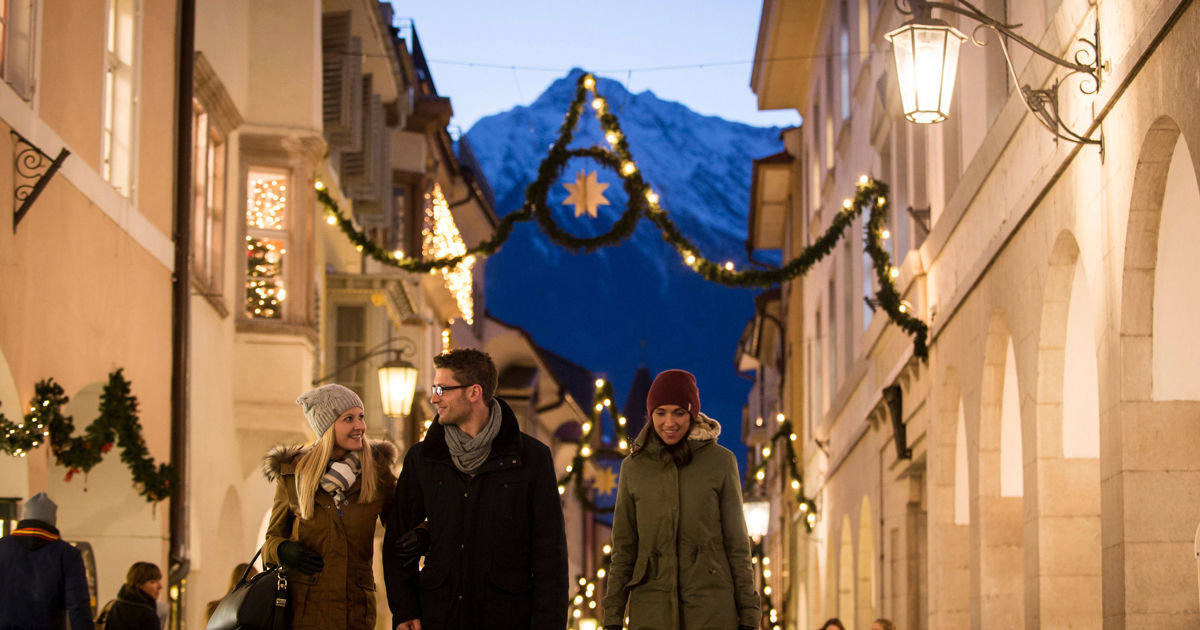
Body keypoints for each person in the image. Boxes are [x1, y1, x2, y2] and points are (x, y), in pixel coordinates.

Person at [383, 348, 568, 630]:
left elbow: (549, 554)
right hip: (438, 616)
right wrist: (405, 610)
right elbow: (397, 540)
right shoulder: (424, 457)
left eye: (442, 389)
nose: (434, 398)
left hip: (505, 617)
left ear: (474, 392)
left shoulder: (531, 458)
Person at [601, 369, 759, 630]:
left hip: (711, 611)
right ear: (650, 415)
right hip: (651, 612)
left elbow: (737, 545)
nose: (669, 422)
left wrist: (750, 618)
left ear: (692, 414)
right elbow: (624, 550)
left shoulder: (721, 462)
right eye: (660, 412)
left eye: (679, 412)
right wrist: (612, 620)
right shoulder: (634, 468)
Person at [261, 383, 398, 630]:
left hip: (355, 614)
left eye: (361, 417)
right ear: (326, 427)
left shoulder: (377, 474)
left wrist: (423, 531)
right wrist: (282, 550)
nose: (360, 426)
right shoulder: (294, 475)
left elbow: (404, 526)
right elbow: (271, 540)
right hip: (303, 614)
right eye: (348, 419)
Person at [0, 492, 93, 630]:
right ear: (52, 521)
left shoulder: (2, 548)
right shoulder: (67, 555)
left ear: (23, 518)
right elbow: (78, 607)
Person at [96, 562, 163, 629]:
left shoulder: (113, 606)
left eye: (159, 580)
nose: (160, 586)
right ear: (138, 584)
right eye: (153, 582)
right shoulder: (147, 616)